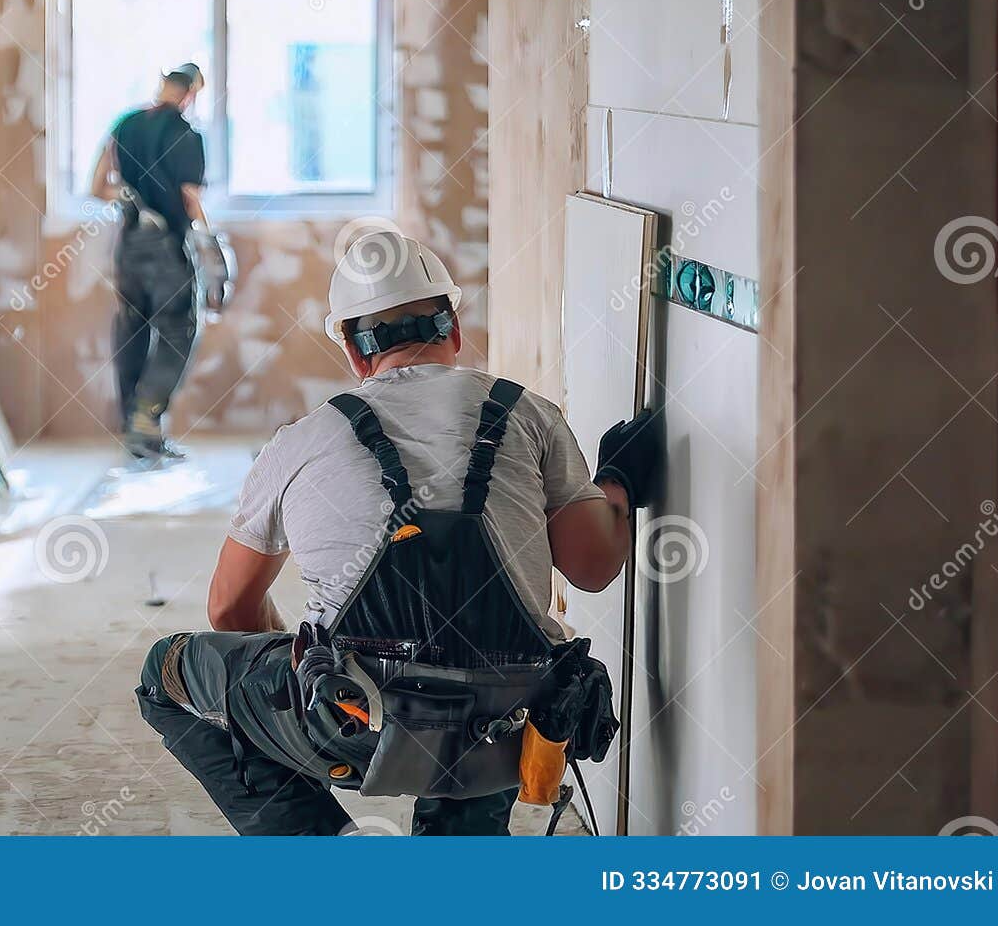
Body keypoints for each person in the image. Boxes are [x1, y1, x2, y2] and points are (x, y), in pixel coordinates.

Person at [135, 231, 663, 835]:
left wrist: (300, 664)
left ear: (355, 354)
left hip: (353, 727)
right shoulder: (528, 415)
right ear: (454, 331)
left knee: (166, 673)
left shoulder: (300, 443)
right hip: (498, 730)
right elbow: (594, 569)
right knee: (491, 683)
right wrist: (616, 484)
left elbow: (229, 610)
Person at [91, 63, 210, 462]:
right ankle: (147, 415)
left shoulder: (124, 125)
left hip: (129, 246)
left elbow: (98, 187)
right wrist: (209, 243)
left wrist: (129, 199)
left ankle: (137, 433)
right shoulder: (186, 135)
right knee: (179, 327)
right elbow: (189, 199)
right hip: (166, 247)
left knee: (131, 331)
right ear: (190, 93)